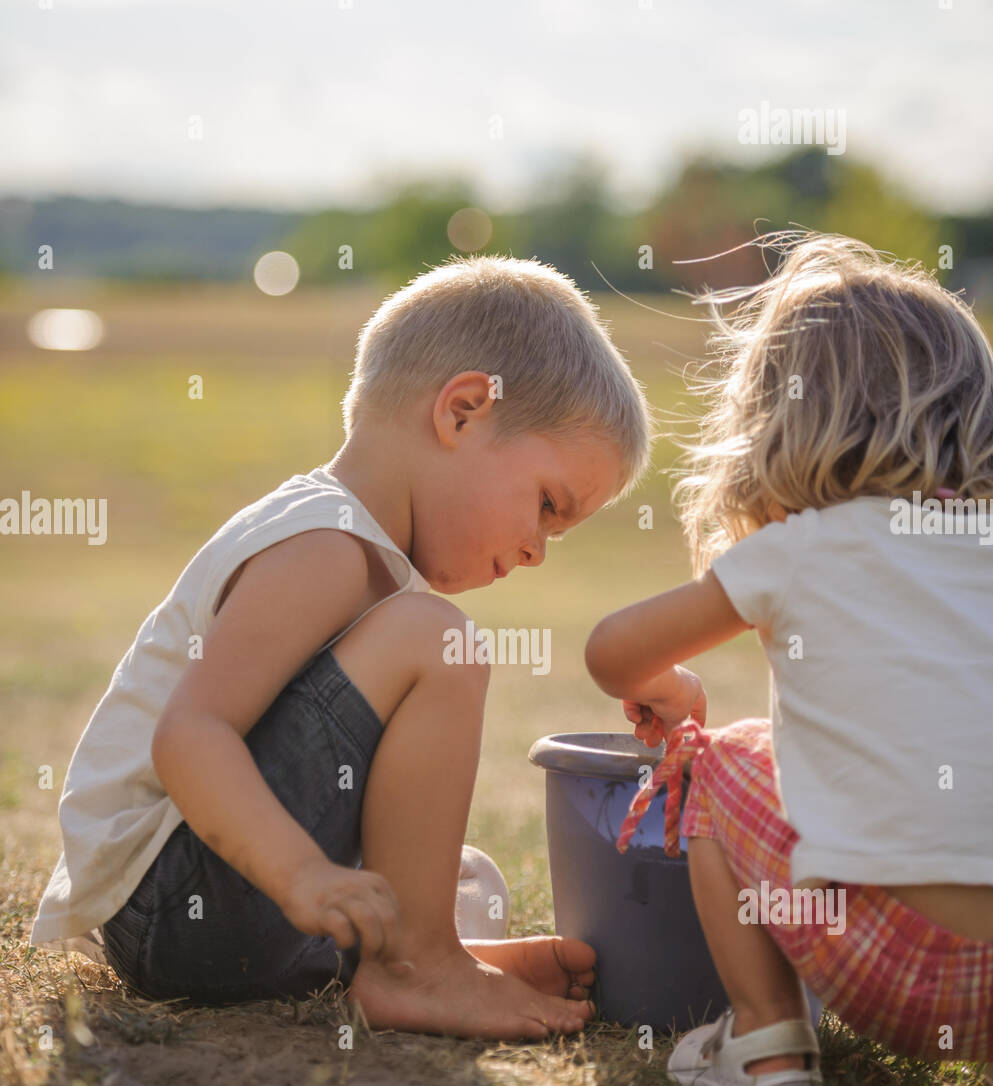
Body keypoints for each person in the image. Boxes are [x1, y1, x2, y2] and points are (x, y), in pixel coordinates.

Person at [30, 254, 654, 1040]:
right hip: (170, 904)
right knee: (439, 639)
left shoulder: (366, 562)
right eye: (546, 506)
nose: (536, 550)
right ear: (462, 412)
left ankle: (426, 953)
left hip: (210, 903)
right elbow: (191, 734)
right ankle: (419, 967)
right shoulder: (324, 545)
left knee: (461, 876)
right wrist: (300, 874)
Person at [586, 232, 993, 1086]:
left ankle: (767, 1044)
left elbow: (610, 653)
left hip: (894, 971)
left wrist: (667, 689)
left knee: (722, 756)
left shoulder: (803, 547)